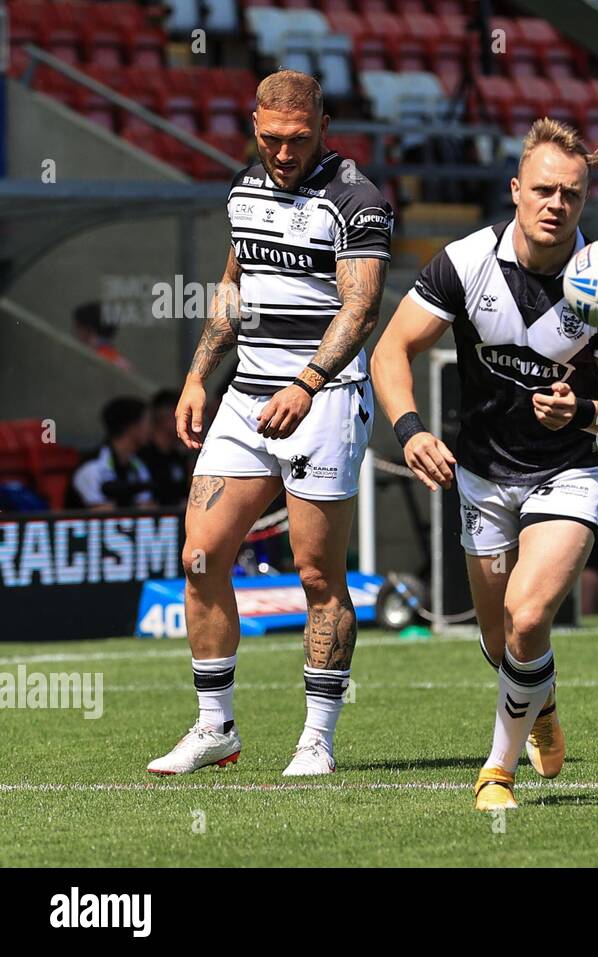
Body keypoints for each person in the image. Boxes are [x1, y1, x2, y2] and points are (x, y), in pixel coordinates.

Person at [370, 118, 598, 811]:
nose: (558, 204)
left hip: (572, 469)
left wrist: (584, 413)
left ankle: (496, 771)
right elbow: (389, 350)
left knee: (528, 618)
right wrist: (409, 429)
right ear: (516, 190)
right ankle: (542, 701)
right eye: (545, 190)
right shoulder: (464, 263)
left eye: (574, 195)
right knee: (500, 642)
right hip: (483, 473)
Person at [148, 71, 392, 778]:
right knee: (201, 555)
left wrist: (307, 383)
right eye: (269, 138)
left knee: (317, 573)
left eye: (296, 139)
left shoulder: (357, 201)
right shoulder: (243, 186)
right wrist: (199, 374)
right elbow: (236, 286)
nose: (282, 153)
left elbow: (361, 308)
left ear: (322, 127)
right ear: (253, 126)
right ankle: (214, 726)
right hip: (246, 397)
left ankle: (316, 737)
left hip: (325, 398)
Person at [66, 396, 154, 510]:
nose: (151, 429)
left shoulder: (137, 465)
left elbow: (148, 507)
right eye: (147, 422)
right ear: (131, 427)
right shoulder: (92, 467)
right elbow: (101, 513)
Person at [138, 388, 191, 507]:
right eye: (185, 415)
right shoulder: (141, 458)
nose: (189, 422)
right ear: (168, 417)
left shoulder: (178, 457)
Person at [72, 302, 131, 371]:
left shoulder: (91, 358)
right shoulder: (122, 364)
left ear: (88, 329)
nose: (74, 331)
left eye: (78, 327)